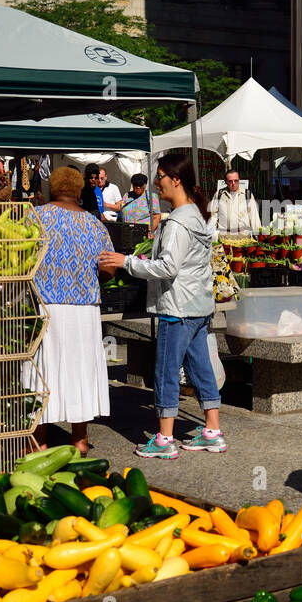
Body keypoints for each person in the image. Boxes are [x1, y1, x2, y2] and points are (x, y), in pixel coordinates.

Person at [98, 153, 224, 458]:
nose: (156, 183)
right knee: (200, 367)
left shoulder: (179, 222)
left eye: (160, 177)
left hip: (177, 308)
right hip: (198, 306)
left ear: (175, 180)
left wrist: (125, 262)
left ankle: (165, 439)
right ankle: (212, 431)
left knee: (166, 369)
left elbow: (168, 267)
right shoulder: (196, 215)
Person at [23, 166, 116, 454]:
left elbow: (18, 257)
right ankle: (80, 440)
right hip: (84, 309)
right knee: (80, 371)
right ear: (78, 192)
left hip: (44, 305)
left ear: (52, 188)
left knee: (42, 370)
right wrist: (88, 277)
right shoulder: (94, 223)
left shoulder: (34, 217)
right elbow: (110, 267)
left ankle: (39, 441)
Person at [208, 170, 261, 235]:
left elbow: (254, 217)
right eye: (230, 181)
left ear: (239, 180)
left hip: (244, 237)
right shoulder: (219, 194)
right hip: (224, 237)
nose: (233, 183)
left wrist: (258, 235)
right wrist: (211, 235)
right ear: (225, 182)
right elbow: (213, 216)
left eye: (236, 180)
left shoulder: (247, 194)